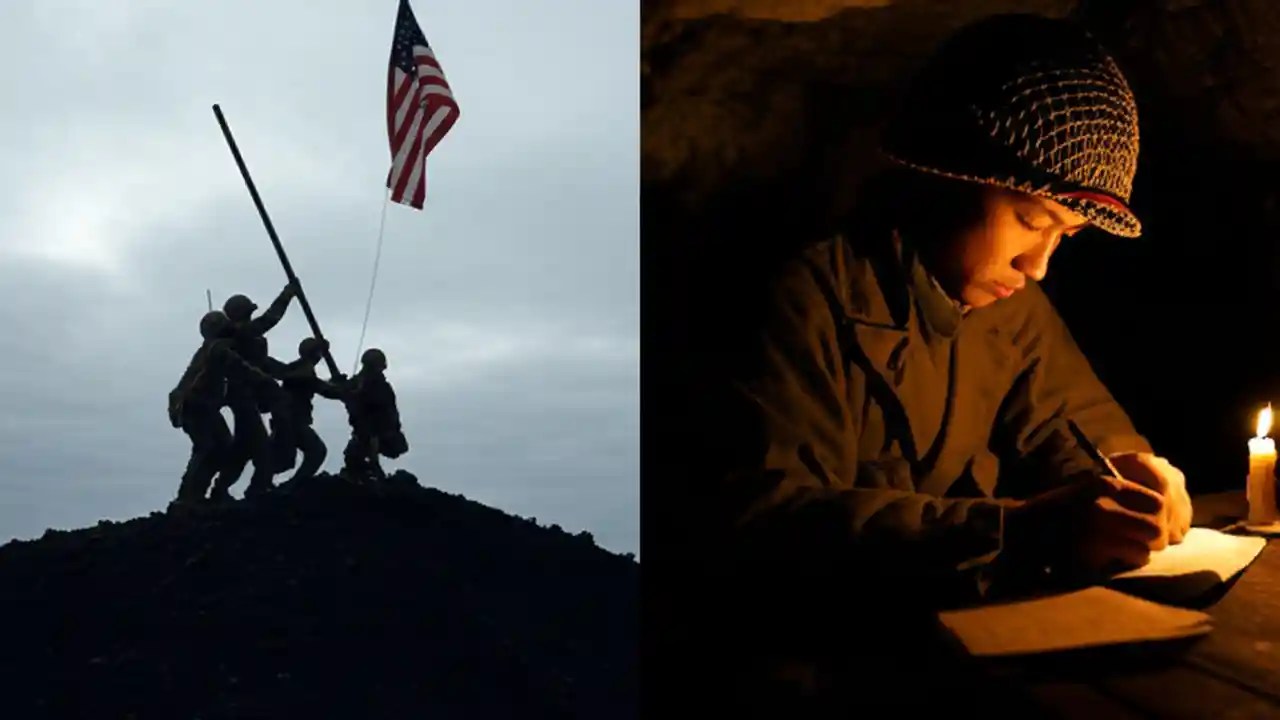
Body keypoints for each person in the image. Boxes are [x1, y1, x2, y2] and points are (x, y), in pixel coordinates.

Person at [669, 13, 1195, 713]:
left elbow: (1080, 427)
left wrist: (1138, 479)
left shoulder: (1007, 304)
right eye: (1031, 221)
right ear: (943, 178)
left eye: (1064, 237)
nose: (1038, 265)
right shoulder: (799, 291)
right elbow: (765, 522)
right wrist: (1014, 532)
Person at [167, 310, 277, 510]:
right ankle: (188, 498)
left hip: (201, 406)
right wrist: (264, 379)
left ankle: (196, 496)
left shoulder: (209, 349)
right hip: (196, 406)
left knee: (222, 446)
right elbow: (239, 366)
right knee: (208, 448)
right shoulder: (217, 349)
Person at [210, 280, 298, 500]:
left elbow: (267, 364)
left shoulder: (247, 338)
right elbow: (269, 319)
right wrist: (287, 295)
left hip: (247, 399)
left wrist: (299, 367)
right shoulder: (241, 334)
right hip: (243, 399)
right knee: (260, 446)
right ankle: (259, 487)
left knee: (242, 448)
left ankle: (221, 489)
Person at [269, 337, 346, 484]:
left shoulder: (301, 368)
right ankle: (286, 486)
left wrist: (334, 385)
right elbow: (321, 388)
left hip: (291, 419)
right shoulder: (304, 369)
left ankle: (289, 485)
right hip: (291, 420)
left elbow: (316, 384)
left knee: (292, 456)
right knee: (308, 453)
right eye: (319, 353)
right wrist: (342, 389)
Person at [338, 348, 407, 483]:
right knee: (353, 458)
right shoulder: (361, 382)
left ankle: (373, 477)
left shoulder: (379, 386)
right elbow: (341, 393)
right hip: (367, 431)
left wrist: (347, 390)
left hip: (378, 432)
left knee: (360, 457)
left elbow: (381, 408)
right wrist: (342, 387)